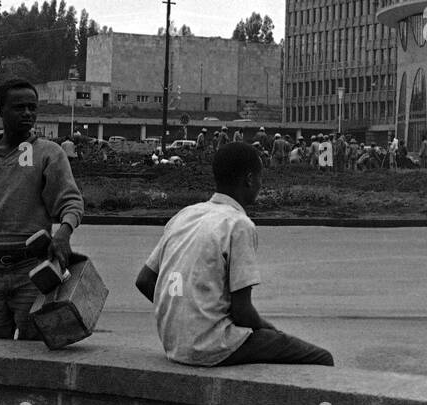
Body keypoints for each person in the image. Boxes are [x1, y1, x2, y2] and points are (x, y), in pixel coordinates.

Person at [135, 143, 334, 367]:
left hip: (174, 344)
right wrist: (272, 331)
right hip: (210, 346)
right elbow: (243, 313)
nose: (261, 183)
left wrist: (181, 311)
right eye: (260, 177)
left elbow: (144, 280)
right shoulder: (239, 225)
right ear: (249, 179)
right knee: (322, 358)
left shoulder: (186, 214)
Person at [0, 79, 84, 340]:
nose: (27, 113)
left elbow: (71, 201)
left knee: (34, 351)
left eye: (32, 107)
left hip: (33, 273)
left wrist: (64, 233)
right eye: (19, 107)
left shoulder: (50, 153)